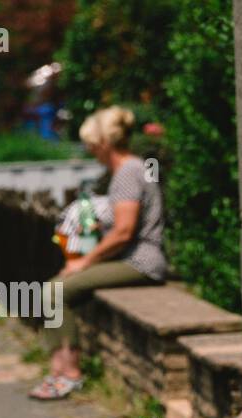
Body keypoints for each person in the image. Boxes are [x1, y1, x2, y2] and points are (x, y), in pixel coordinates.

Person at [30, 106, 166, 400]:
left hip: (140, 261)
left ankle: (68, 372)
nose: (91, 152)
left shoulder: (128, 172)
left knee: (56, 290)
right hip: (131, 259)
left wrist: (85, 263)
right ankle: (58, 369)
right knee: (54, 288)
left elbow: (123, 231)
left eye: (92, 145)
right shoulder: (129, 169)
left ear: (105, 144)